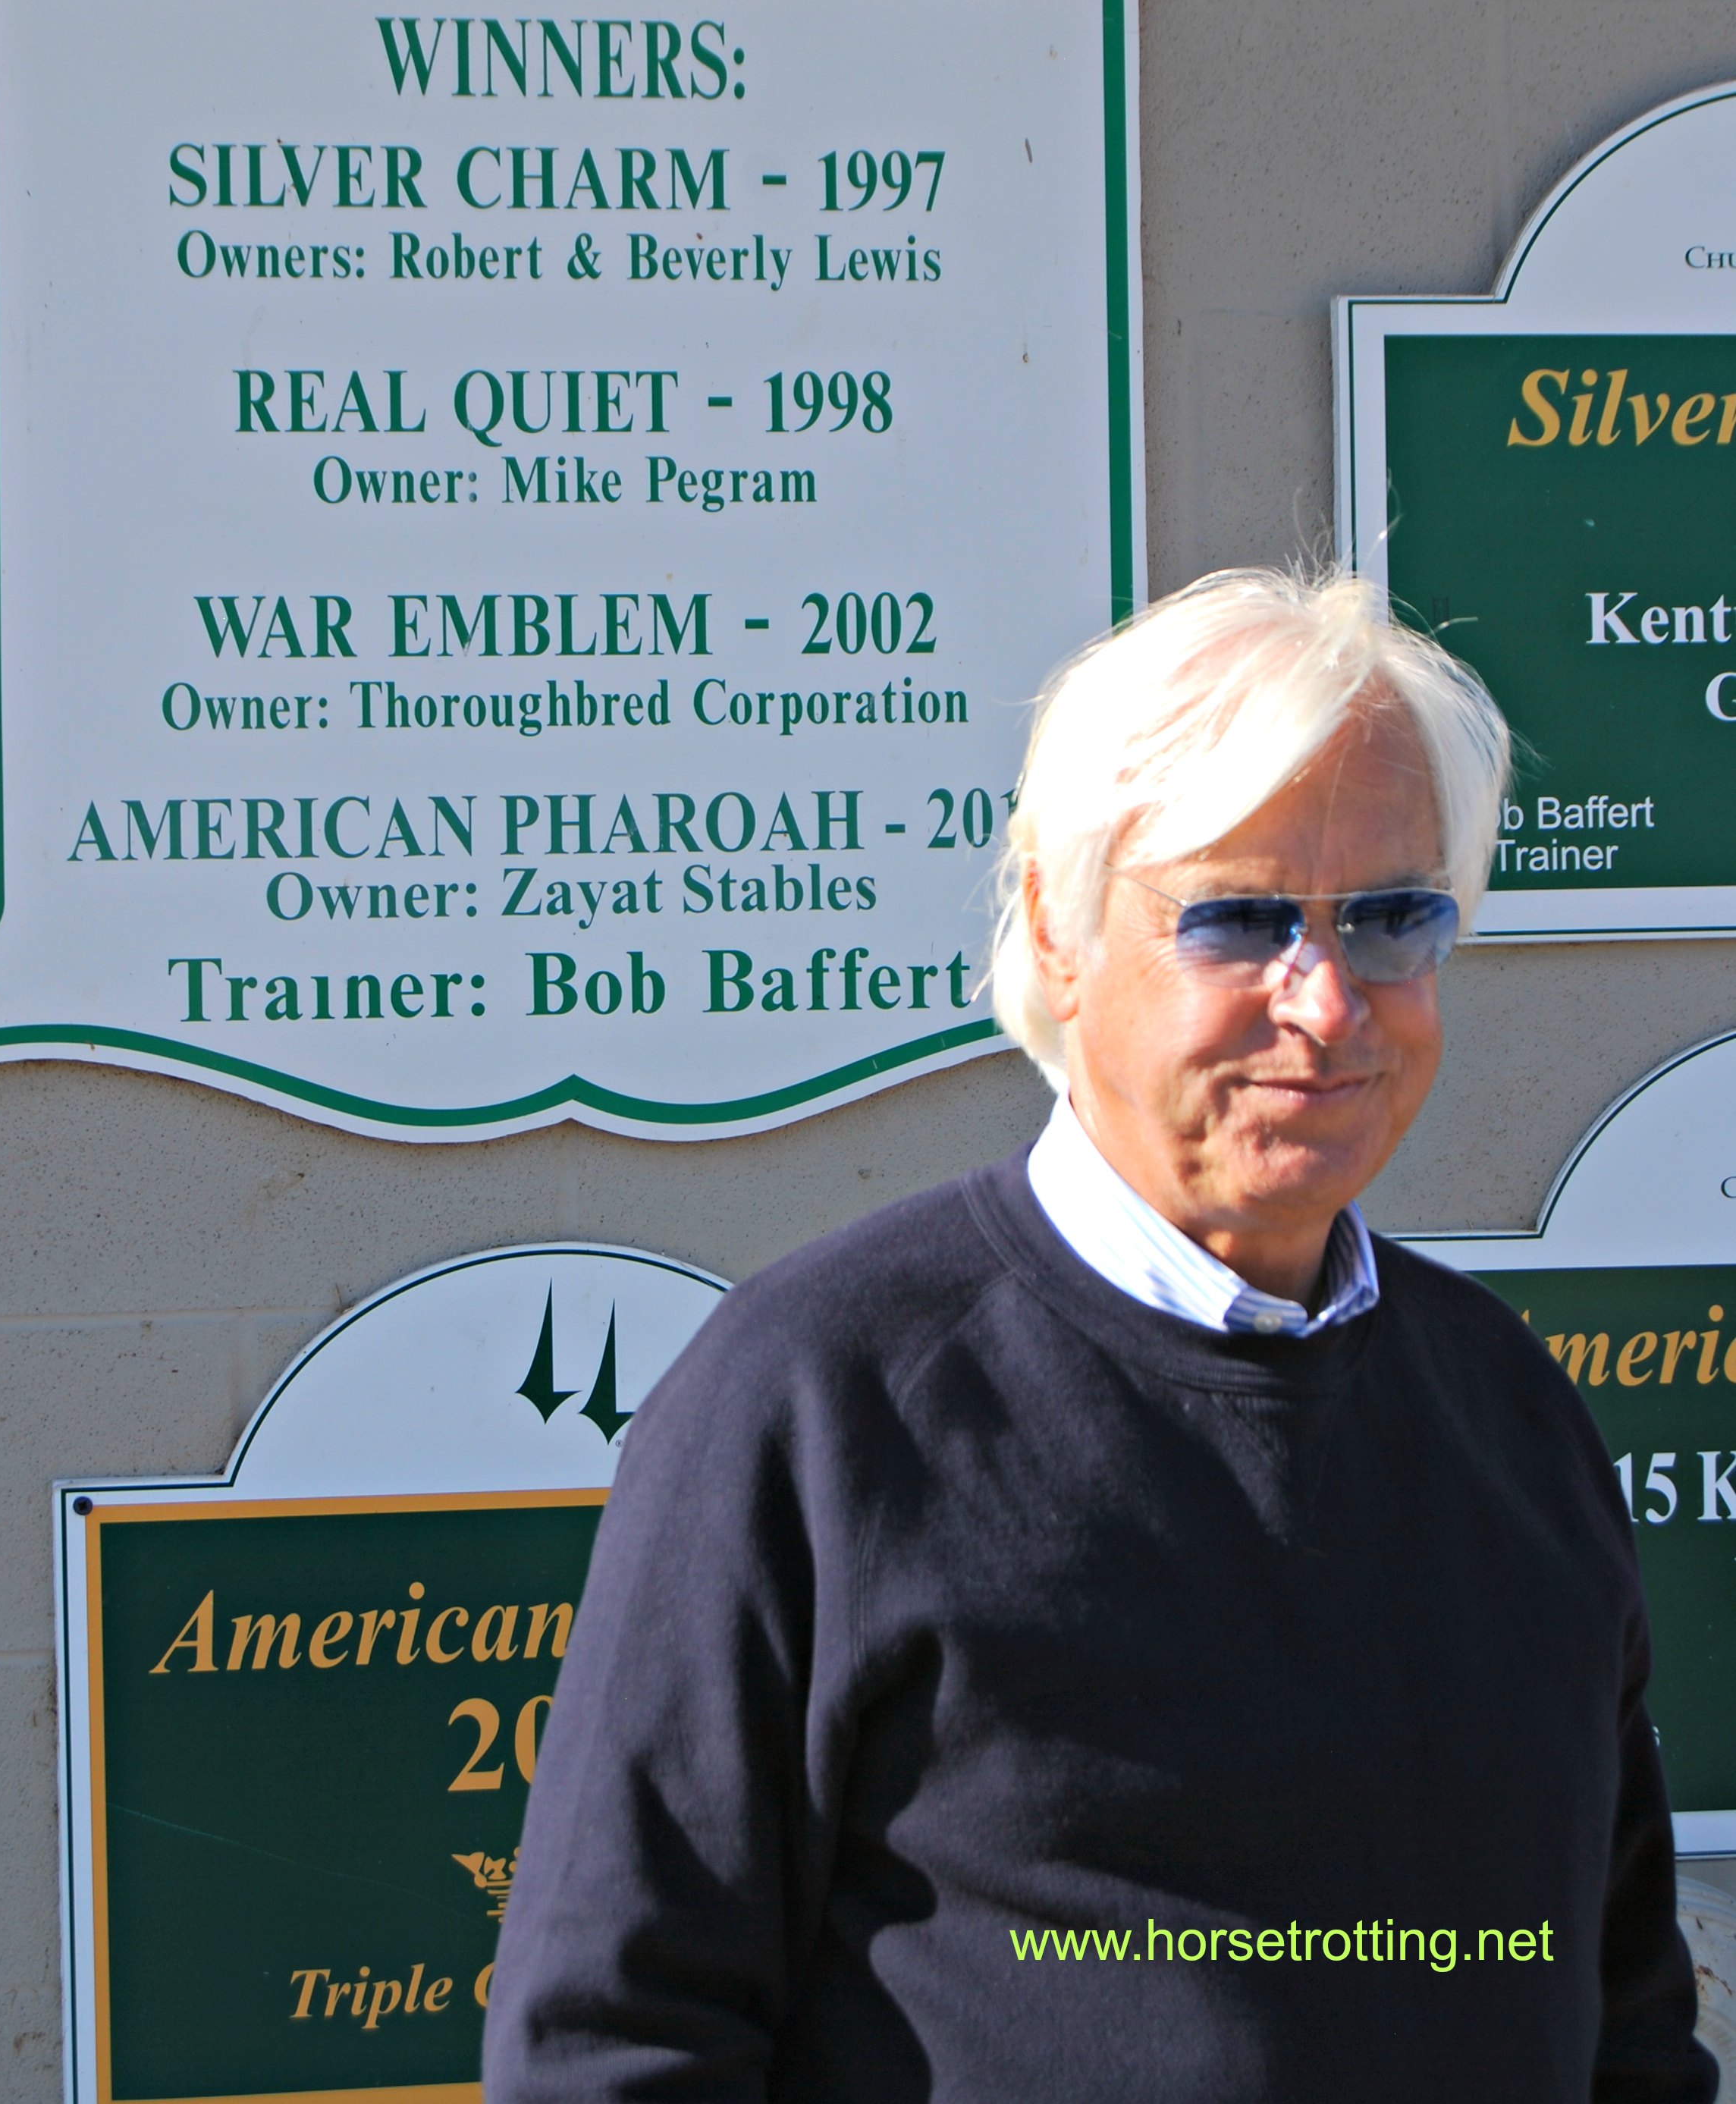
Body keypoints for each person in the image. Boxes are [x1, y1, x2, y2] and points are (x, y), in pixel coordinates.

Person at [484, 567, 1713, 2102]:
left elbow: (1628, 2028)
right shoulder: (817, 1405)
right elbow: (611, 2046)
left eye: (1390, 920)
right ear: (1060, 934)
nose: (1325, 1002)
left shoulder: (1513, 1417)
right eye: (1242, 919)